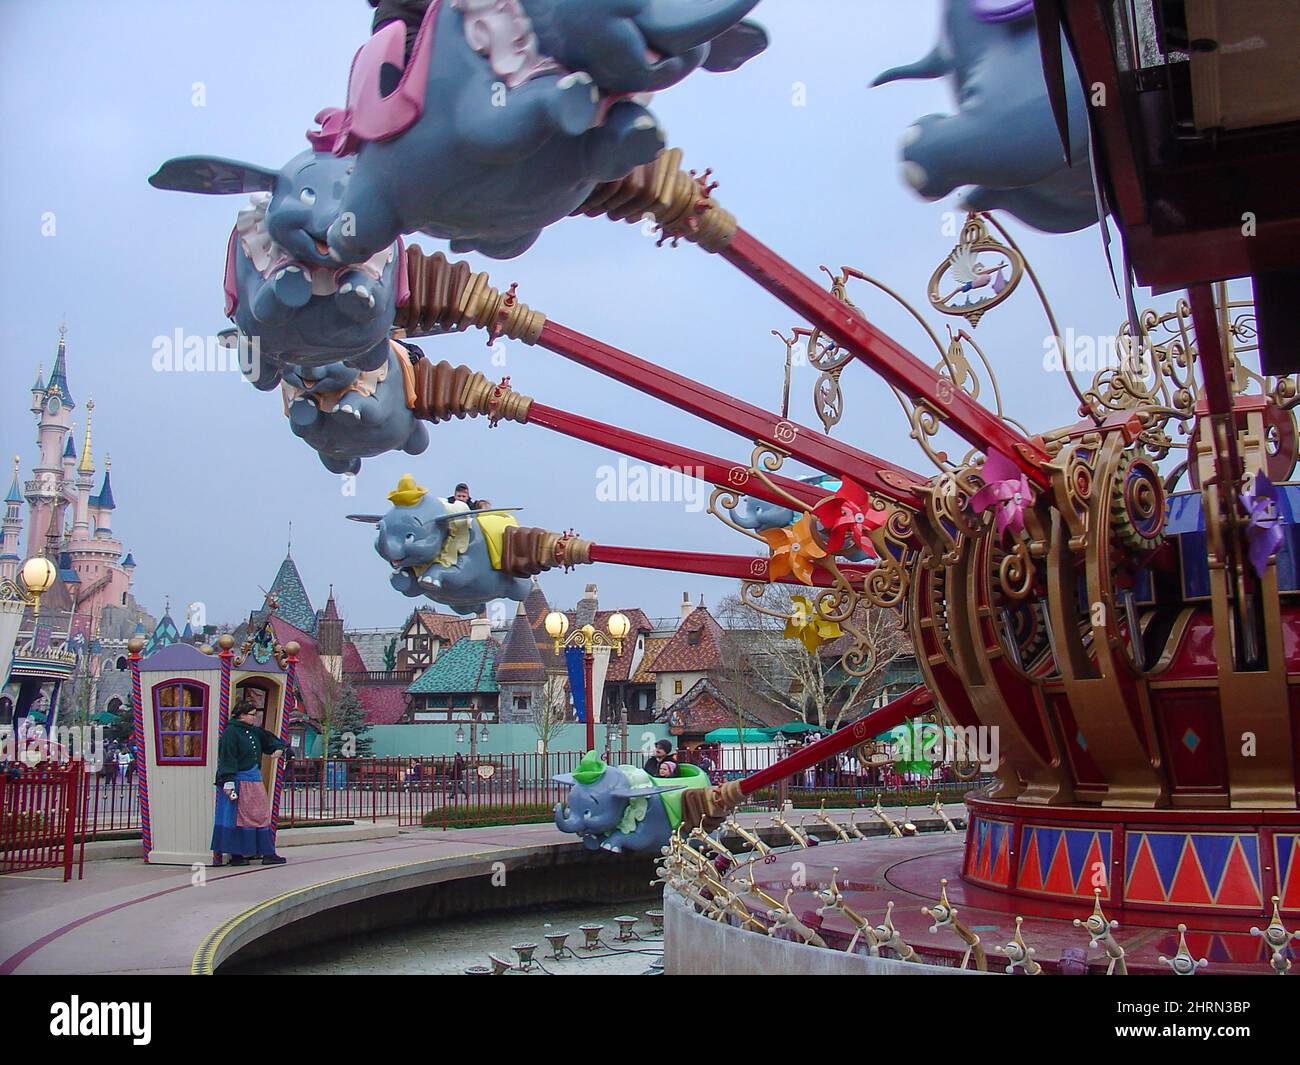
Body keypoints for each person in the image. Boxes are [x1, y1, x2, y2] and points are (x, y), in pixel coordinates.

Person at [212, 699, 289, 866]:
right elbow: (228, 756)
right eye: (252, 715)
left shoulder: (254, 731)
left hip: (254, 779)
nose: (254, 718)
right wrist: (228, 781)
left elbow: (271, 740)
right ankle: (238, 855)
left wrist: (278, 748)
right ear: (241, 715)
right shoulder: (231, 732)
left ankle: (266, 852)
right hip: (238, 780)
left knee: (260, 815)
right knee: (237, 818)